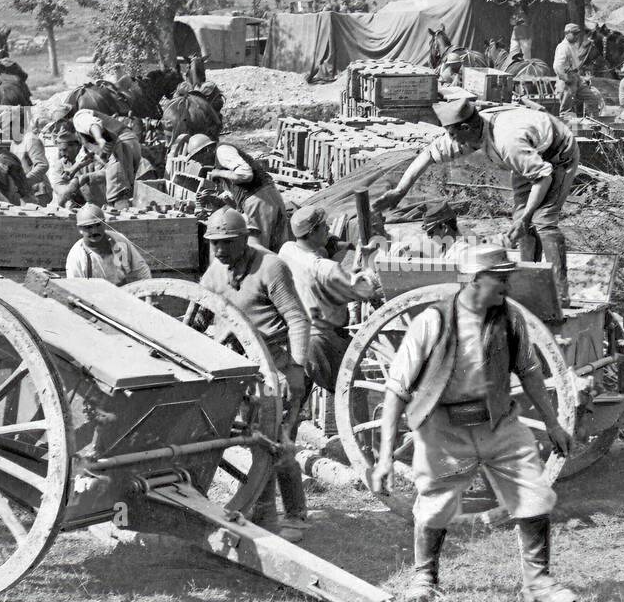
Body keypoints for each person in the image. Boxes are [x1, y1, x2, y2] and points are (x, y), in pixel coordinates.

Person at [371, 244, 578, 602]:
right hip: (443, 428)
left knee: (533, 494)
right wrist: (386, 457)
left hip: (498, 424)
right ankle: (425, 577)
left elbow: (529, 372)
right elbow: (397, 390)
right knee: (436, 502)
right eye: (499, 280)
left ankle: (540, 585)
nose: (506, 287)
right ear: (473, 281)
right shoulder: (432, 322)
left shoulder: (511, 319)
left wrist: (553, 423)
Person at [374, 98, 578, 305]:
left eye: (453, 135)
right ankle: (530, 284)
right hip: (530, 156)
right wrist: (400, 190)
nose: (452, 141)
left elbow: (544, 178)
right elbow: (428, 155)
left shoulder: (508, 142)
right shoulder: (470, 134)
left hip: (557, 152)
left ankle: (560, 293)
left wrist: (527, 217)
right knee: (520, 223)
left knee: (542, 220)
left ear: (466, 127)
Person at [199, 207, 310, 541]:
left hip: (274, 366)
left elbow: (297, 318)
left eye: (227, 243)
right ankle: (261, 512)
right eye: (214, 243)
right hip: (235, 368)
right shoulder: (214, 272)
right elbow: (201, 313)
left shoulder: (271, 267)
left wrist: (297, 371)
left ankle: (295, 516)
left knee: (277, 444)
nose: (220, 250)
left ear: (245, 238)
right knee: (253, 442)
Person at [278, 205, 380, 395]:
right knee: (354, 393)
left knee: (296, 399)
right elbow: (365, 291)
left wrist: (346, 246)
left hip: (297, 337)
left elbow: (321, 250)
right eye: (323, 226)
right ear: (312, 232)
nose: (328, 230)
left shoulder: (287, 250)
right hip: (323, 342)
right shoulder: (326, 269)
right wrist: (369, 263)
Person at [64, 203, 151, 285]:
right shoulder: (76, 256)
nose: (94, 231)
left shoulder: (119, 241)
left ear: (105, 223)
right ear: (80, 229)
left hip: (123, 294)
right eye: (88, 227)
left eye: (98, 225)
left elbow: (141, 270)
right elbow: (75, 288)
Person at [73, 109, 138, 210]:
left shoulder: (78, 118)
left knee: (117, 192)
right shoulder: (82, 137)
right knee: (123, 188)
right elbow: (86, 154)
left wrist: (99, 138)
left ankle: (122, 220)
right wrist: (73, 169)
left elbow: (93, 125)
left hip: (123, 142)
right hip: (127, 143)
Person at [50, 128, 102, 206]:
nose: (62, 154)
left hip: (96, 204)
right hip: (73, 205)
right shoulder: (60, 164)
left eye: (64, 150)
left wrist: (79, 180)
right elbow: (59, 187)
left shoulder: (92, 159)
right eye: (60, 150)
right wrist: (68, 201)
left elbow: (103, 180)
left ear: (77, 146)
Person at [17, 121, 53, 204]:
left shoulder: (30, 139)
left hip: (38, 192)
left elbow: (42, 165)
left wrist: (24, 181)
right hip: (26, 191)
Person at [553, 23, 583, 117]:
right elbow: (557, 66)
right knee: (567, 111)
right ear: (567, 34)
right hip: (567, 81)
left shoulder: (573, 45)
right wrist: (566, 79)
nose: (577, 36)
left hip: (575, 77)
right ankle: (570, 130)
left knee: (592, 100)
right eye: (574, 34)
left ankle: (592, 126)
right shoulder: (563, 47)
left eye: (578, 33)